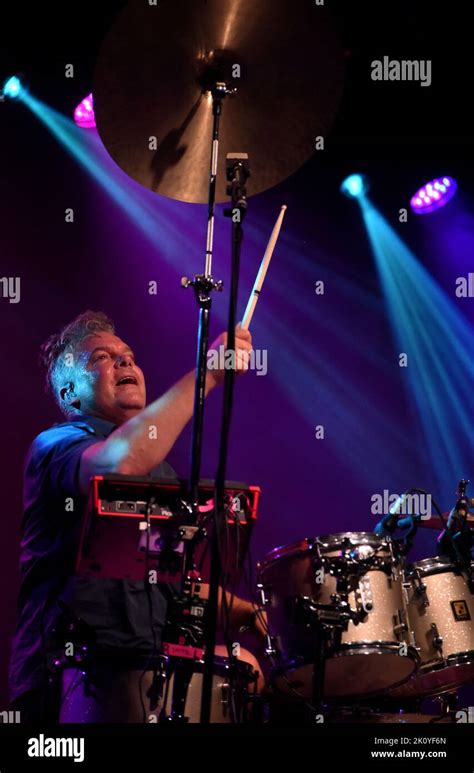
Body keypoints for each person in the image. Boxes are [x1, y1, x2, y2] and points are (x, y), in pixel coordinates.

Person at [9, 310, 264, 723]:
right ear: (71, 393)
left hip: (148, 665)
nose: (125, 361)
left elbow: (170, 576)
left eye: (128, 355)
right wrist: (207, 376)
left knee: (246, 668)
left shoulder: (159, 473)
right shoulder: (57, 445)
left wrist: (249, 612)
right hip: (68, 678)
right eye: (102, 358)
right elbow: (118, 465)